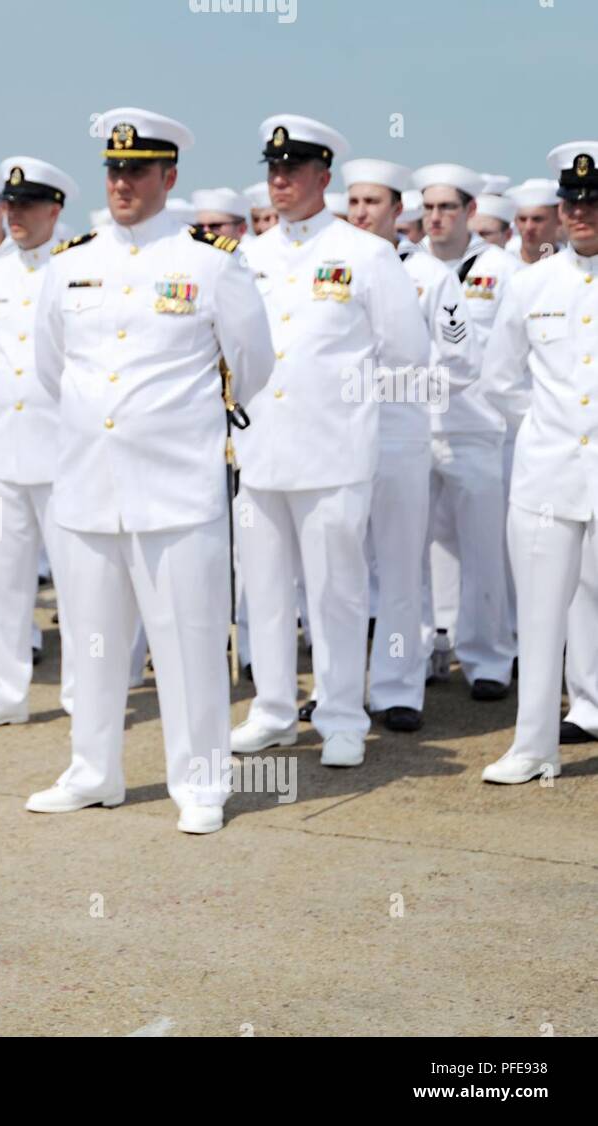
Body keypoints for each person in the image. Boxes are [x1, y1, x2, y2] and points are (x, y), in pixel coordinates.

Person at [26, 107, 274, 833]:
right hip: (86, 483)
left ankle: (201, 781)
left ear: (170, 176)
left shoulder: (210, 260)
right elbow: (51, 369)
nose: (122, 182)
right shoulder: (70, 263)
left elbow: (251, 364)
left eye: (137, 170)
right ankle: (93, 768)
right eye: (113, 169)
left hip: (176, 485)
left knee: (189, 638)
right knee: (93, 639)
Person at [231, 116, 428, 768]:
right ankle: (274, 709)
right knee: (264, 589)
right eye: (272, 169)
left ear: (323, 177)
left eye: (293, 169)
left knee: (336, 592)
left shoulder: (365, 253)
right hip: (261, 453)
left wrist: (355, 418)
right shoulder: (247, 255)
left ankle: (342, 715)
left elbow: (405, 352)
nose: (279, 179)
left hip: (332, 452)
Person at [342, 158, 477, 732]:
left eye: (373, 202)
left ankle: (397, 690)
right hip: (336, 439)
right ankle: (339, 691)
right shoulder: (331, 266)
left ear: (400, 210)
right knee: (338, 573)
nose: (360, 213)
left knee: (400, 568)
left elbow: (460, 362)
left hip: (398, 436)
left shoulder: (428, 275)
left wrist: (397, 396)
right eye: (353, 202)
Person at [480, 141, 598, 783]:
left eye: (593, 202)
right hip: (547, 476)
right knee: (541, 613)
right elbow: (500, 379)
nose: (581, 213)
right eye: (572, 202)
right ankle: (533, 746)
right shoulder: (532, 284)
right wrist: (552, 429)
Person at [0, 157, 79, 731]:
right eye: (11, 205)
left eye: (28, 206)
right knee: (3, 576)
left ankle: (83, 691)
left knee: (77, 582)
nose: (16, 216)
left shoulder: (79, 269)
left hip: (65, 451)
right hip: (4, 448)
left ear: (55, 209)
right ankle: (6, 689)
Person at [414, 163, 520, 700]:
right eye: (428, 208)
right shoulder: (404, 266)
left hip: (478, 429)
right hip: (413, 429)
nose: (435, 218)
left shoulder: (502, 270)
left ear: (471, 211)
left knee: (483, 551)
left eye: (447, 207)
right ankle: (424, 649)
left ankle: (487, 659)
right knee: (412, 550)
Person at [506, 179, 566, 265]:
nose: (528, 227)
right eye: (522, 219)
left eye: (537, 219)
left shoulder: (572, 265)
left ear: (559, 220)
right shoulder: (502, 265)